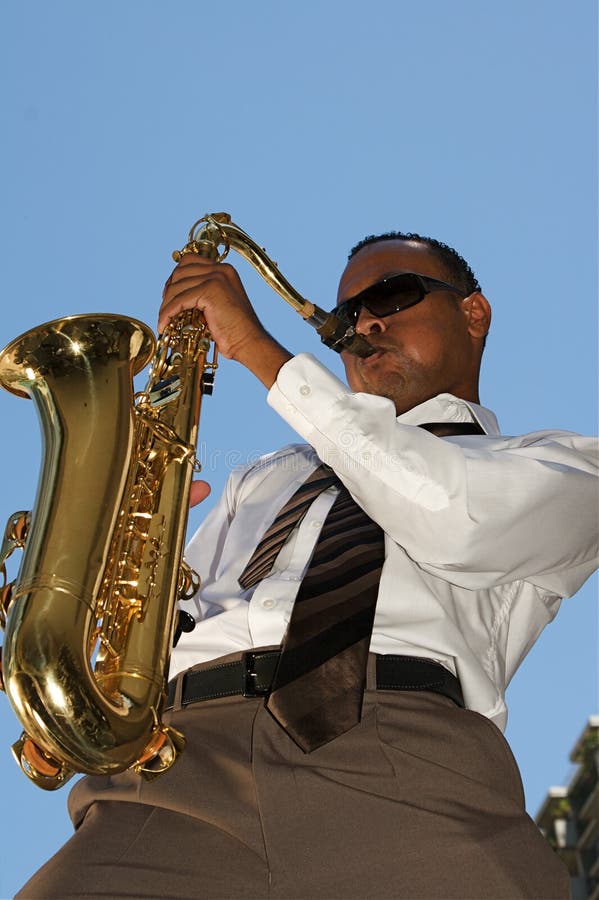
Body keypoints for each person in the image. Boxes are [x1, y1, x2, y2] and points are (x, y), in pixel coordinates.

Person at [17, 231, 597, 899]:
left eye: (391, 295)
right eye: (346, 318)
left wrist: (261, 353)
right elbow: (167, 631)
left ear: (473, 313)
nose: (364, 325)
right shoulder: (265, 479)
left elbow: (449, 512)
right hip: (172, 774)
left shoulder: (564, 464)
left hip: (403, 767)